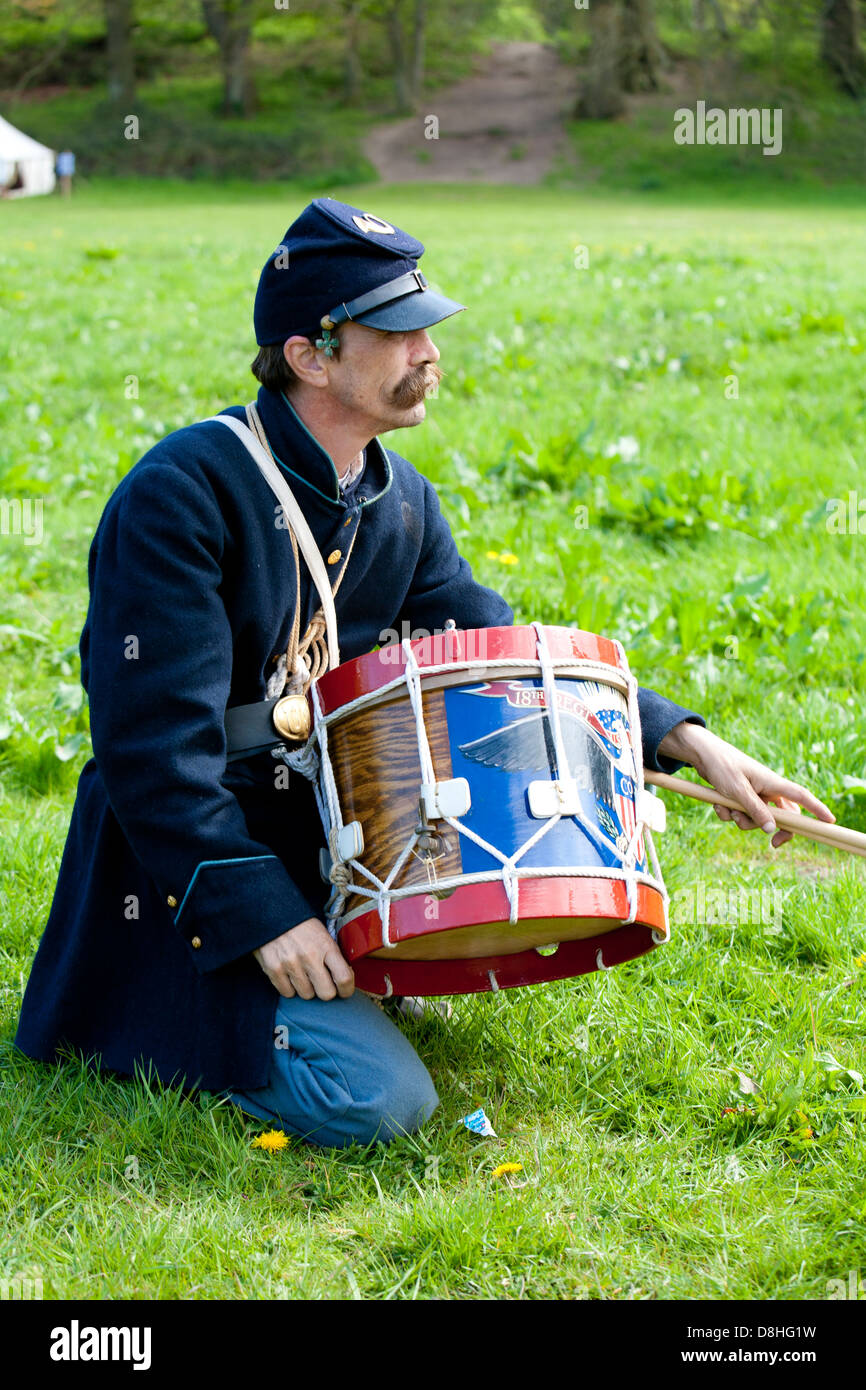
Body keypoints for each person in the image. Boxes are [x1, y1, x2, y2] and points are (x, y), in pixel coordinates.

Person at [14, 198, 835, 1150]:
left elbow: (497, 648)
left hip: (327, 842)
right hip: (182, 867)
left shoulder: (396, 499)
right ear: (311, 355)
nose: (428, 350)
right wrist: (263, 919)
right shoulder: (181, 495)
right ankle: (136, 1020)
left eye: (428, 325)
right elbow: (150, 753)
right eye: (397, 330)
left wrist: (687, 742)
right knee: (379, 1102)